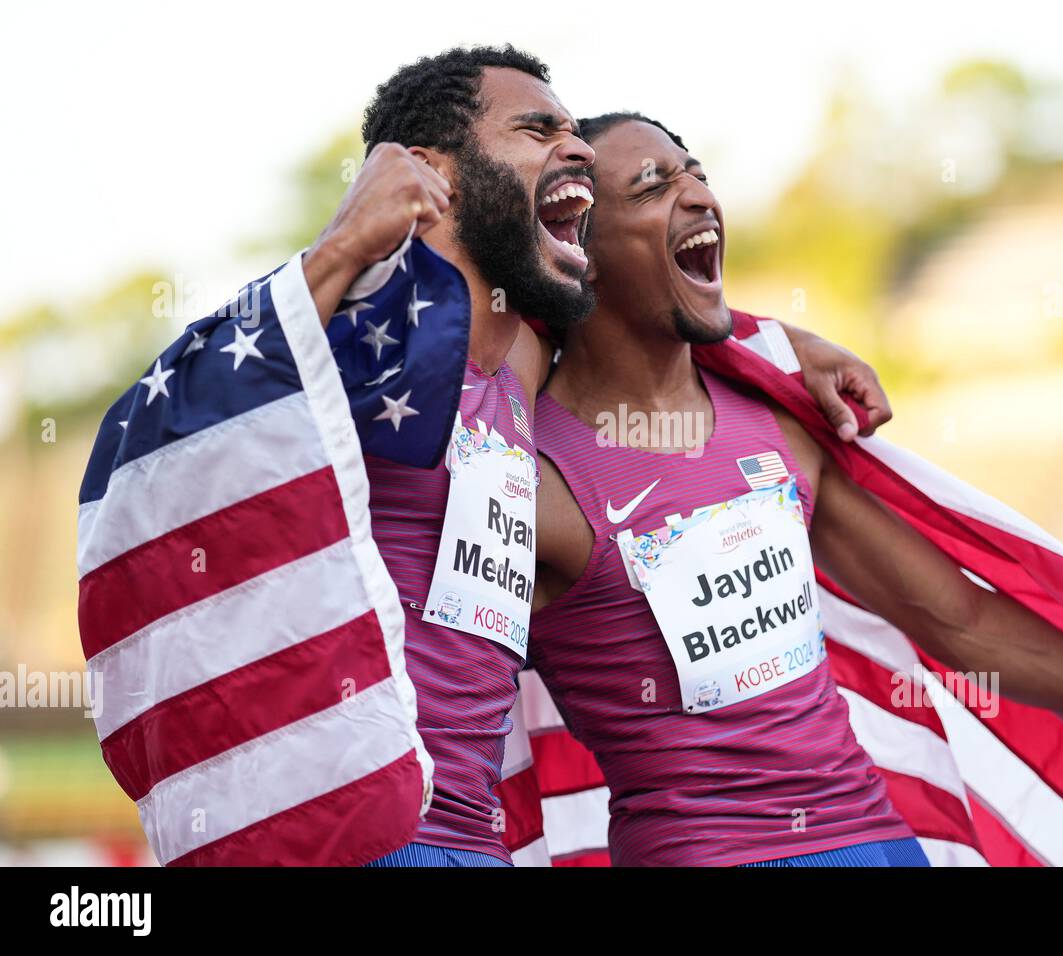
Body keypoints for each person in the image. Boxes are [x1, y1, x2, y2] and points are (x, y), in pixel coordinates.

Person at [527, 112, 1063, 867]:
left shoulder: (777, 429)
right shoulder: (533, 477)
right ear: (578, 251)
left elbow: (963, 625)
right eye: (654, 185)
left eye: (696, 172)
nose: (698, 195)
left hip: (875, 840)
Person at [303, 51, 893, 866]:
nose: (571, 147)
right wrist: (340, 245)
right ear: (429, 172)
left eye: (575, 133)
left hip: (476, 837)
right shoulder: (366, 350)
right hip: (369, 829)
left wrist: (782, 340)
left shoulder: (515, 366)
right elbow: (231, 399)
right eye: (541, 129)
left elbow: (616, 317)